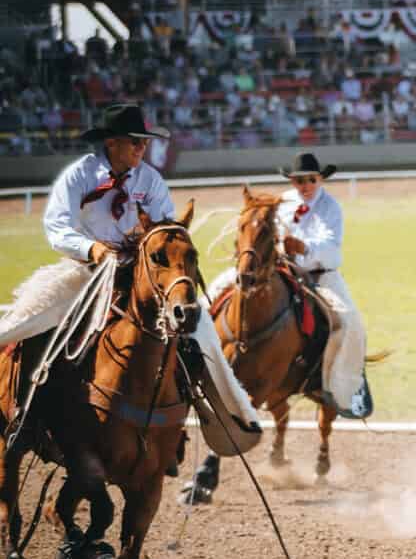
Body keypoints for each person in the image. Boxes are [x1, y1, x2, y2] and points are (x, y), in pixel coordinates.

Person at [0, 103, 264, 442]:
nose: (143, 148)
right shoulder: (79, 175)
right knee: (36, 321)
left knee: (199, 328)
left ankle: (224, 415)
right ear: (112, 143)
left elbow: (165, 228)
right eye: (135, 141)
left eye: (144, 142)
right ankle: (23, 412)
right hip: (87, 270)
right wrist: (91, 249)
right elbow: (56, 227)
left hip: (144, 273)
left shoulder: (150, 179)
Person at [273, 153, 373, 419]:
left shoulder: (331, 207)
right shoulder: (282, 202)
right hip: (284, 271)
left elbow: (331, 250)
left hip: (321, 275)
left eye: (310, 180)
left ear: (320, 179)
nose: (304, 185)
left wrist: (304, 247)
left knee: (350, 322)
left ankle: (344, 383)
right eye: (299, 181)